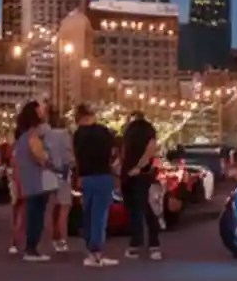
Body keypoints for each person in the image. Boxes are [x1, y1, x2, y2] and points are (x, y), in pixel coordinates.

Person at [72, 104, 118, 267]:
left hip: (87, 178)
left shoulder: (78, 135)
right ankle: (97, 252)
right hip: (104, 177)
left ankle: (92, 251)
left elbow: (77, 159)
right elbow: (115, 152)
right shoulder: (105, 132)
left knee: (88, 215)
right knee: (100, 216)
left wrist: (78, 177)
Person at [12, 101, 55, 262]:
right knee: (36, 214)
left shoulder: (22, 135)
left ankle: (30, 247)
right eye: (39, 110)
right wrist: (48, 161)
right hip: (38, 180)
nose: (42, 112)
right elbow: (38, 155)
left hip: (28, 179)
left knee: (32, 212)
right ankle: (32, 248)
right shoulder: (33, 135)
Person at [120, 110, 162, 260]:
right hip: (140, 173)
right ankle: (151, 245)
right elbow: (151, 148)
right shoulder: (146, 129)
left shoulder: (132, 130)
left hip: (136, 173)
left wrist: (137, 167)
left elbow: (147, 149)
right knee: (144, 208)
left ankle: (139, 244)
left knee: (138, 209)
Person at [44, 105, 76, 253]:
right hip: (63, 174)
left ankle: (53, 239)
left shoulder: (46, 134)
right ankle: (62, 240)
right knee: (64, 208)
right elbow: (68, 155)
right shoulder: (64, 135)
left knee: (52, 208)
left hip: (48, 173)